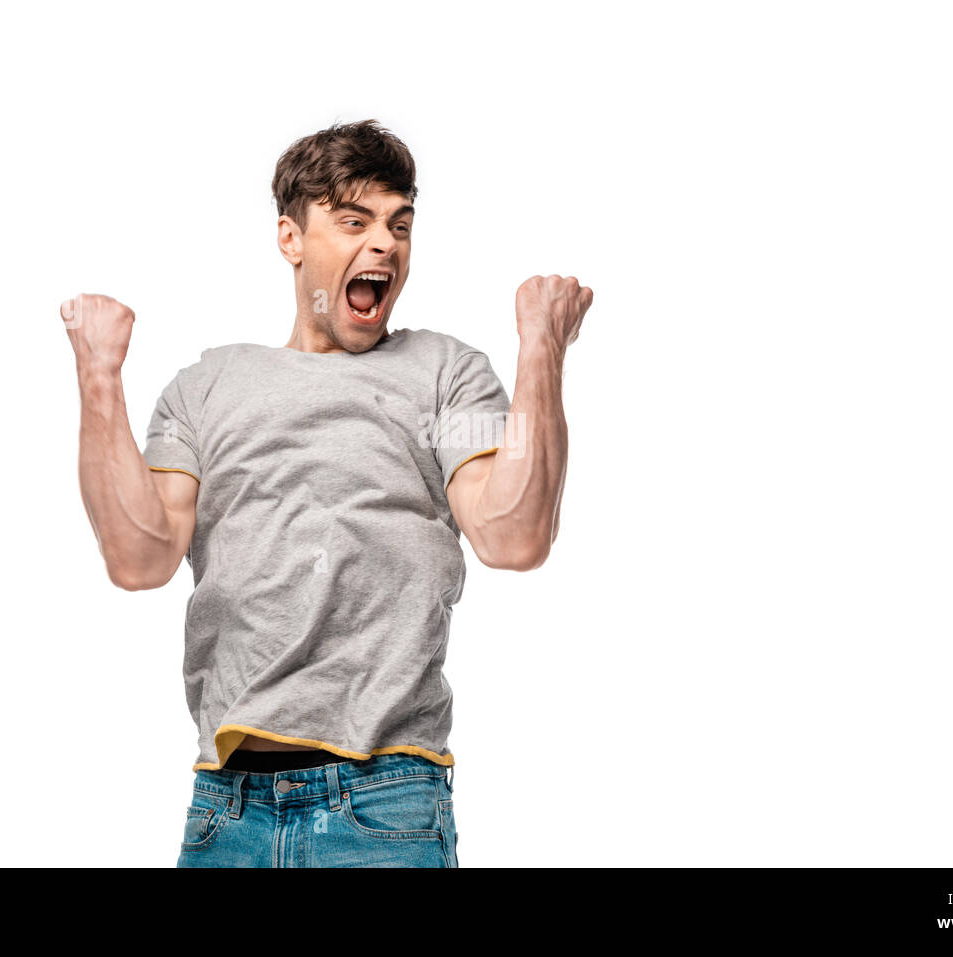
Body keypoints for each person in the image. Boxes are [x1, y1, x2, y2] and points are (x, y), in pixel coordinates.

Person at [60, 118, 591, 867]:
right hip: (226, 805)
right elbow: (138, 556)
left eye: (399, 225)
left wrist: (541, 349)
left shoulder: (449, 373)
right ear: (291, 237)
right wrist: (99, 379)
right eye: (354, 221)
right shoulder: (204, 388)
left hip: (385, 802)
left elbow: (515, 533)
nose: (385, 244)